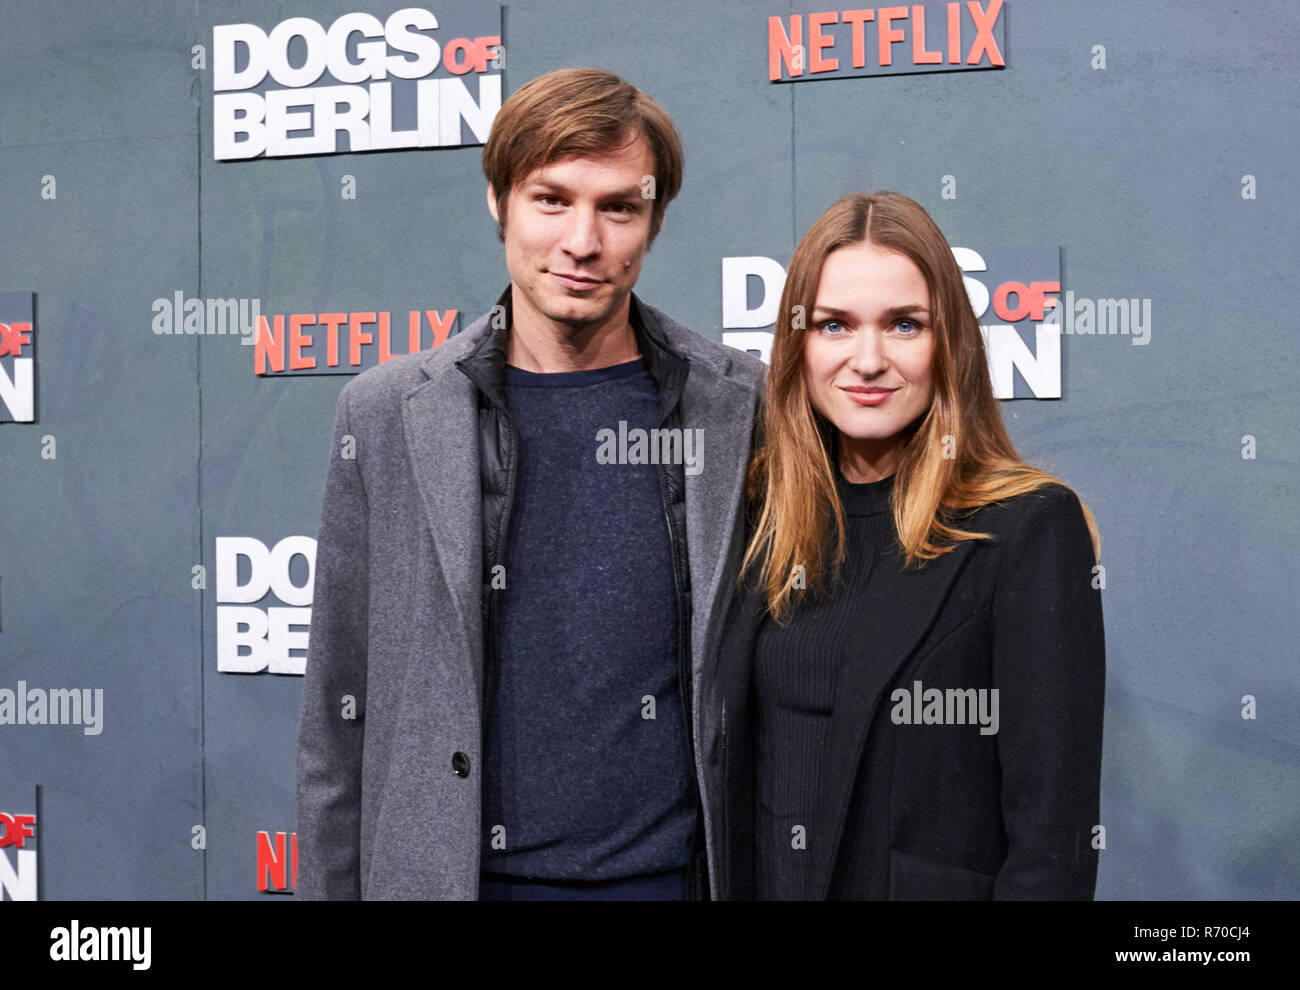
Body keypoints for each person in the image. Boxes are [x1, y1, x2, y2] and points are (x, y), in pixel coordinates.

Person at [295, 68, 765, 900]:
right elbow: (340, 716)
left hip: (672, 883)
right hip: (454, 882)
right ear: (498, 201)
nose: (583, 241)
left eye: (619, 206)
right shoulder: (384, 414)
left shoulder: (742, 406)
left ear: (653, 220)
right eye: (552, 199)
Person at [713, 191, 1106, 900]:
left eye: (903, 325)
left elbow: (1052, 845)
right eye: (835, 325)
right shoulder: (755, 518)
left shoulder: (1028, 530)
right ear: (798, 344)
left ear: (948, 342)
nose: (868, 359)